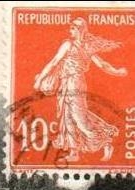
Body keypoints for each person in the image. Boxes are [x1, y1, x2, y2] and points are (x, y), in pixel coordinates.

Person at [34, 17, 128, 162]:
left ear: (81, 30)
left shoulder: (85, 47)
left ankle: (105, 142)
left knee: (79, 118)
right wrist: (40, 78)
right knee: (68, 117)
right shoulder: (67, 44)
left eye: (74, 27)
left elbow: (102, 64)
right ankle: (74, 152)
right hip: (65, 83)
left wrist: (117, 72)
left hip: (76, 82)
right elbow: (54, 62)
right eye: (71, 26)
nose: (70, 29)